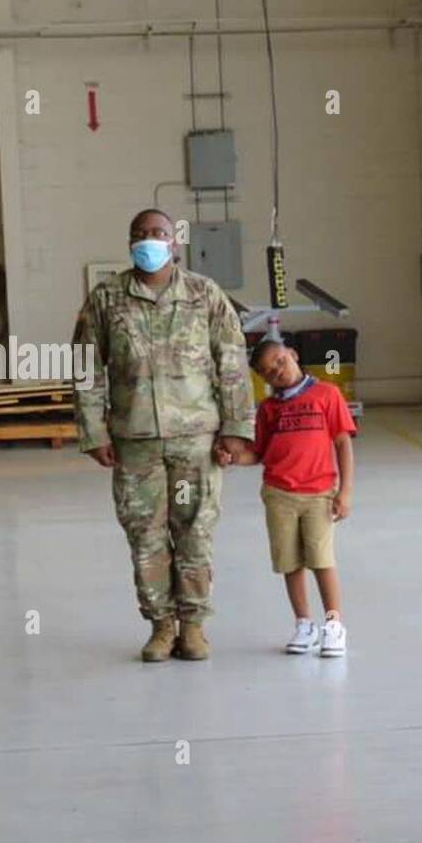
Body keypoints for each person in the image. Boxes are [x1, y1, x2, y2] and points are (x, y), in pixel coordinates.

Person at [73, 209, 255, 662]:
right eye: (139, 234)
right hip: (136, 440)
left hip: (196, 438)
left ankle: (193, 627)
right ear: (129, 241)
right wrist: (93, 430)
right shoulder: (107, 298)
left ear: (175, 240)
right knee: (145, 535)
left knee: (195, 531)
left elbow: (232, 363)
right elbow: (86, 369)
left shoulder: (204, 294)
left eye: (157, 233)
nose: (148, 240)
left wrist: (236, 429)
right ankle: (160, 626)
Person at [217, 338, 355, 656]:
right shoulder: (268, 409)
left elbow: (343, 443)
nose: (277, 371)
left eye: (280, 361)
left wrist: (345, 492)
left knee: (321, 559)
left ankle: (333, 624)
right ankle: (303, 623)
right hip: (279, 495)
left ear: (293, 354)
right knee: (289, 562)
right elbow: (260, 453)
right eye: (268, 372)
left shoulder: (327, 394)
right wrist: (233, 458)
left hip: (319, 494)